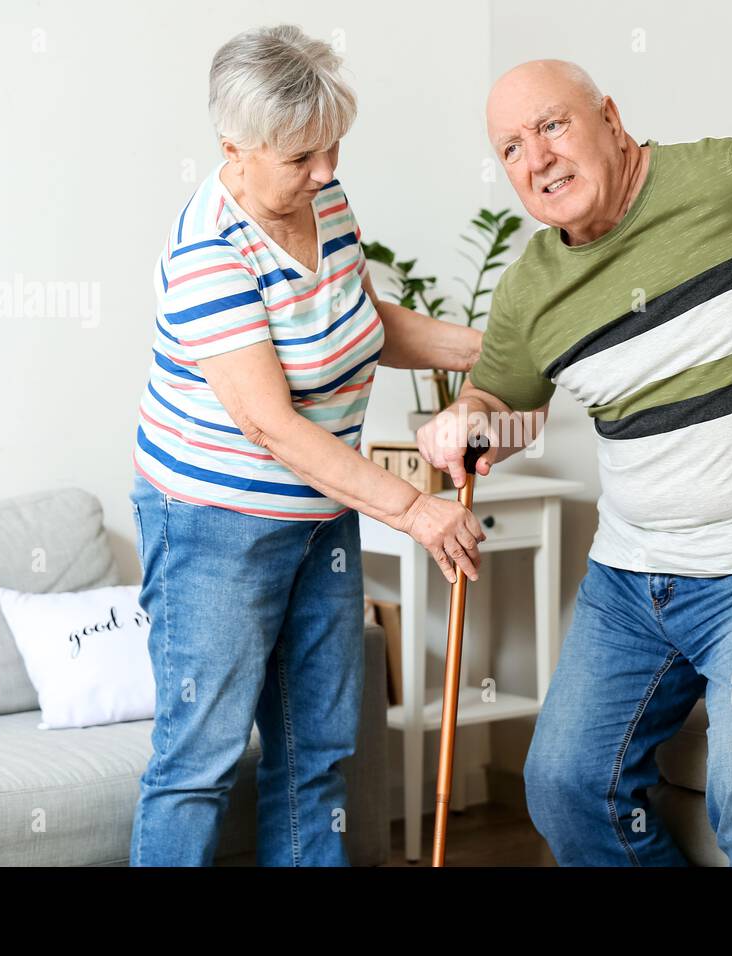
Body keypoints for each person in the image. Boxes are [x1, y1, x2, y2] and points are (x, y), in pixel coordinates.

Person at [417, 59, 732, 865]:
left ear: (611, 120)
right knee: (564, 785)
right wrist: (466, 421)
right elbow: (509, 421)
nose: (539, 158)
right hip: (635, 577)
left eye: (553, 125)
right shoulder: (531, 290)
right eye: (512, 148)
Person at [129, 24, 485, 866]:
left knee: (318, 753)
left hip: (323, 511)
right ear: (236, 149)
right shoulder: (208, 254)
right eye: (301, 158)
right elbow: (269, 424)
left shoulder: (322, 200)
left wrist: (486, 348)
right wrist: (415, 511)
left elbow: (364, 323)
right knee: (199, 762)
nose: (325, 172)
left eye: (333, 150)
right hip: (216, 524)